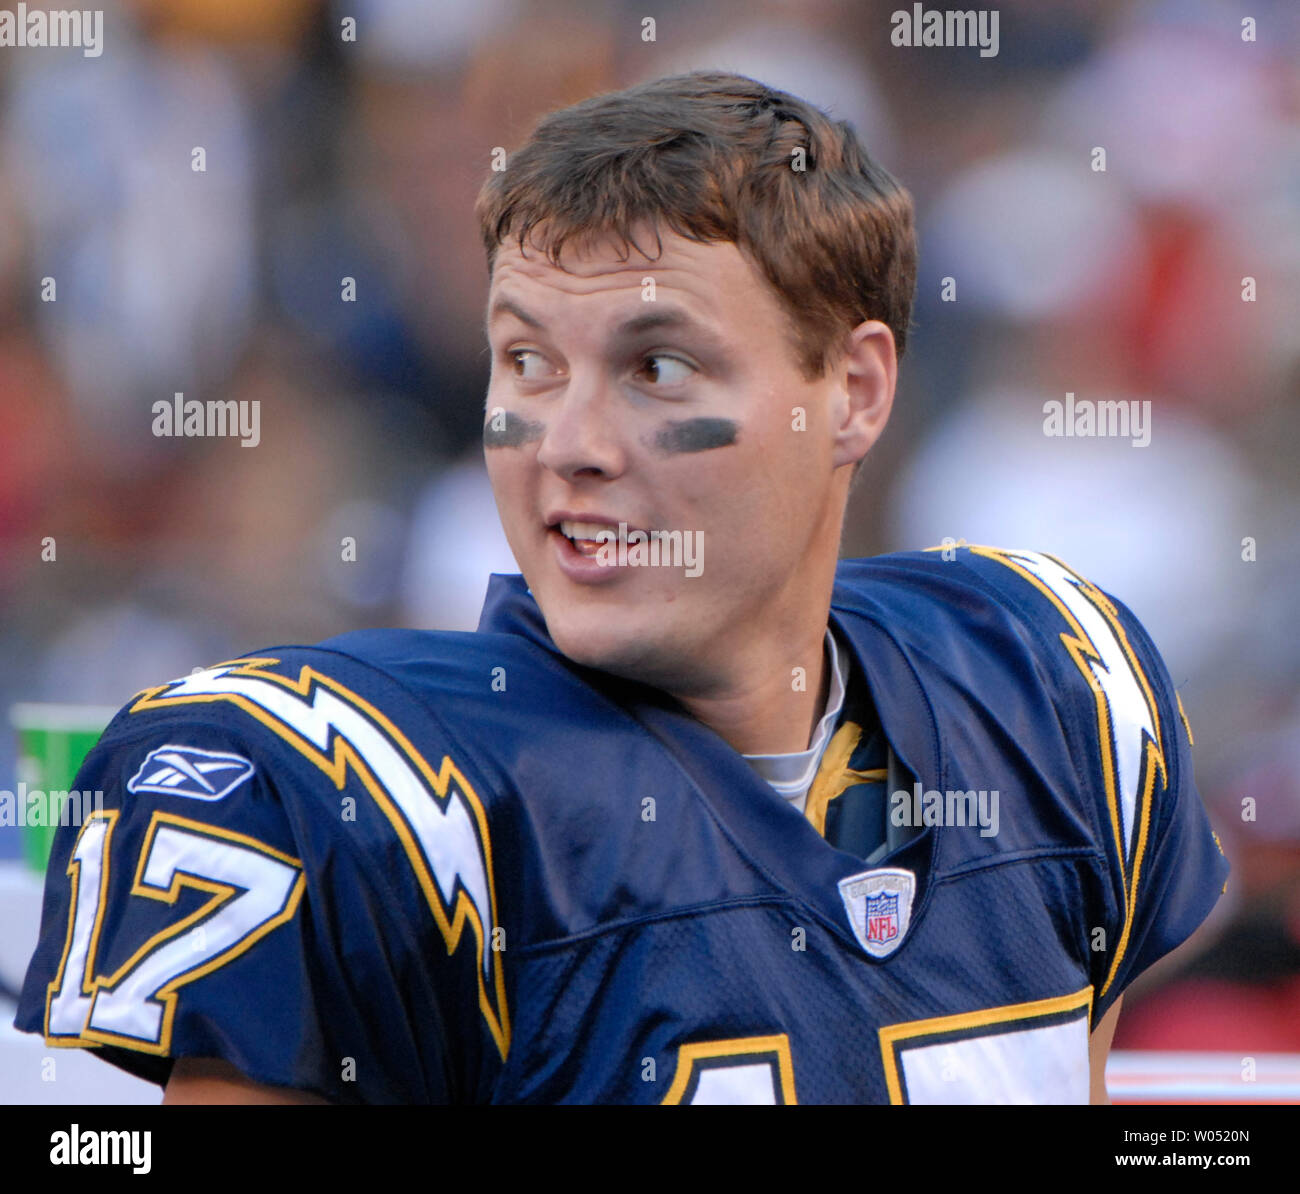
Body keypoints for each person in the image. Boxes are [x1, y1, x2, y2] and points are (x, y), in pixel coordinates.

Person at [15, 71, 1228, 1104]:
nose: (567, 440)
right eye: (527, 361)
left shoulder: (1048, 686)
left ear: (853, 391)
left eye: (656, 364)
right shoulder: (349, 795)